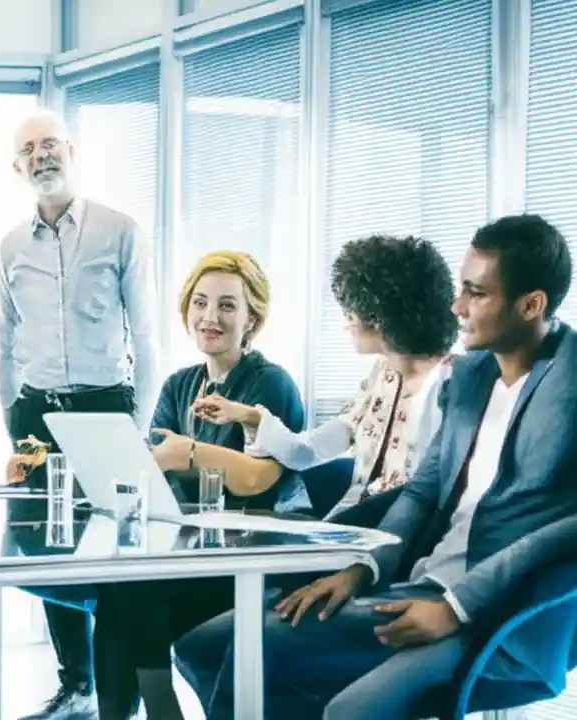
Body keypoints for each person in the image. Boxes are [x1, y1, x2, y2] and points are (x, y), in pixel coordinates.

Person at [175, 214, 577, 719]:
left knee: (315, 687)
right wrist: (359, 570)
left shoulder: (567, 386)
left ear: (531, 304)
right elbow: (422, 493)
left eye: (475, 293)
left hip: (497, 619)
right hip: (417, 581)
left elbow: (564, 532)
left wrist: (456, 606)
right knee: (204, 647)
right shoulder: (474, 374)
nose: (457, 308)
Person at [92, 250, 307, 719]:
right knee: (119, 589)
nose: (210, 317)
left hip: (251, 558)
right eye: (200, 303)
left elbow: (258, 481)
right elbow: (154, 471)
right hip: (191, 549)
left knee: (136, 592)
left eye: (228, 306)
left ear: (252, 318)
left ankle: (158, 709)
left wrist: (188, 454)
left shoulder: (270, 385)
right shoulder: (179, 385)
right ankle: (132, 711)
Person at [0, 111, 156, 720]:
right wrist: (12, 419)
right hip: (37, 413)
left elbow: (143, 333)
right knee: (40, 546)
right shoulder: (9, 246)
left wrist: (137, 429)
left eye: (50, 144)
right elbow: (2, 341)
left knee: (114, 548)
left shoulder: (120, 231)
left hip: (105, 406)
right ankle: (77, 685)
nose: (41, 155)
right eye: (28, 148)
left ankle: (120, 692)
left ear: (72, 150)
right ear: (17, 166)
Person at [194, 235, 459, 519]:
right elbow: (306, 452)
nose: (346, 319)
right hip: (357, 528)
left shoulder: (447, 385)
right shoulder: (383, 377)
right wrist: (246, 415)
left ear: (381, 312)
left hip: (403, 535)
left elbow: (431, 498)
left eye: (350, 307)